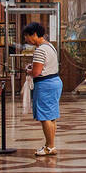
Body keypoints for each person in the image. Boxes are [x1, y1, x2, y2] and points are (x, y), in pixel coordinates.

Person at [23, 22, 61, 157]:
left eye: (27, 36)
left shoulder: (40, 50)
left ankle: (50, 146)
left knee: (45, 116)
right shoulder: (50, 46)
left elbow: (36, 72)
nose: (26, 40)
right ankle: (49, 144)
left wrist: (28, 71)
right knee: (51, 116)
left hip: (45, 84)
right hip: (54, 81)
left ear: (34, 34)